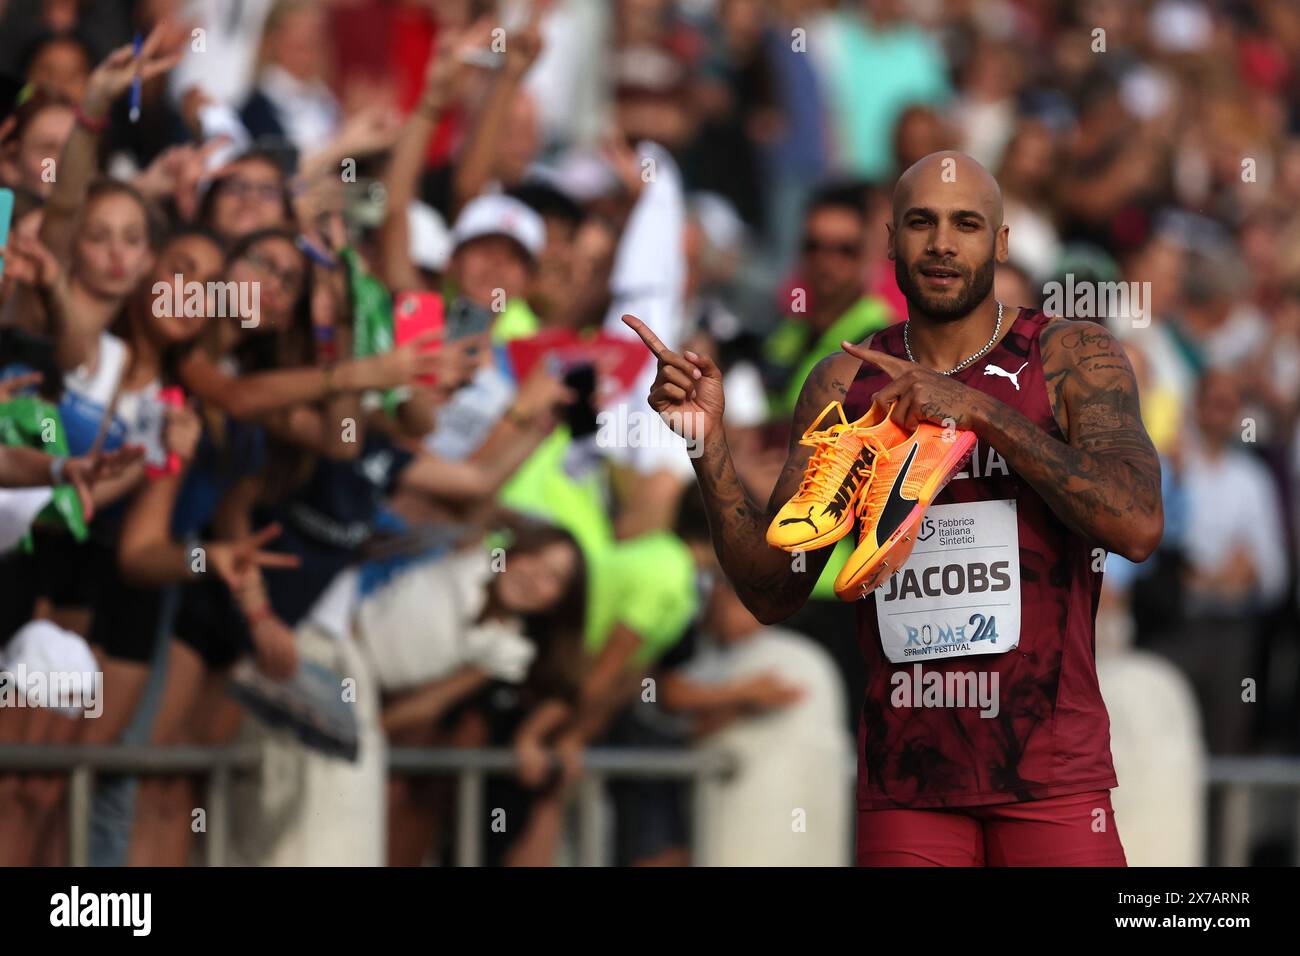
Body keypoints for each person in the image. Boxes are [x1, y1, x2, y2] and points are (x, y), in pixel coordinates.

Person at [626, 149, 1164, 867]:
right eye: (921, 222)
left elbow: (1136, 523)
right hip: (907, 786)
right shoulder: (843, 381)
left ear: (1000, 243)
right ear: (892, 241)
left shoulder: (1069, 354)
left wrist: (979, 413)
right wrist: (706, 444)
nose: (942, 242)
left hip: (1049, 774)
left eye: (966, 224)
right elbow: (773, 587)